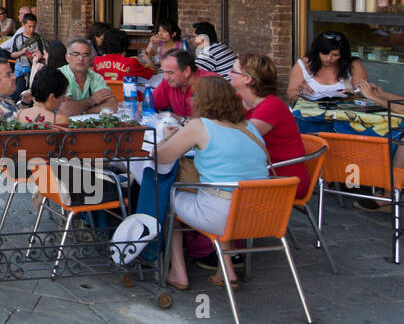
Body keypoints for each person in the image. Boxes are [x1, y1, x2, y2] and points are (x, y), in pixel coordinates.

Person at [152, 76, 270, 289]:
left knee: (168, 197)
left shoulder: (199, 126)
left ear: (202, 101)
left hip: (222, 215)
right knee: (225, 194)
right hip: (261, 215)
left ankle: (178, 272)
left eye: (194, 96)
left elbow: (160, 157)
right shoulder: (250, 127)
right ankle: (227, 271)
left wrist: (166, 137)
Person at [229, 54, 309, 199]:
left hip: (282, 178)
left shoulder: (272, 106)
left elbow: (241, 139)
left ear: (248, 79)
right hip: (257, 171)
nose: (229, 74)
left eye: (233, 71)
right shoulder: (240, 100)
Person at [286, 30, 400, 104]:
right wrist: (301, 93)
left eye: (335, 55)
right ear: (317, 52)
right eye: (324, 54)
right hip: (311, 116)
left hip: (344, 116)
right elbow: (290, 94)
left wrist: (353, 92)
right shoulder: (303, 65)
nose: (328, 59)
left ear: (342, 55)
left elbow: (364, 94)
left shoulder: (353, 65)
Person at [57, 38, 116, 117]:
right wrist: (92, 100)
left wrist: (84, 111)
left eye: (85, 55)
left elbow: (112, 105)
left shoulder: (96, 78)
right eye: (76, 54)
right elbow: (65, 109)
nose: (81, 58)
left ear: (91, 59)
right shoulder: (58, 75)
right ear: (67, 58)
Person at [150, 49, 215, 118]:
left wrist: (181, 119)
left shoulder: (212, 84)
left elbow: (219, 122)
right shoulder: (169, 82)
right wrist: (142, 106)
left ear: (187, 71)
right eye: (164, 72)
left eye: (170, 72)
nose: (166, 77)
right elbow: (149, 104)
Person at [6, 13, 42, 81]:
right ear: (23, 25)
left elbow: (44, 54)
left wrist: (37, 56)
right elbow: (12, 55)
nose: (32, 29)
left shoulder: (38, 38)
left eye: (34, 27)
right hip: (20, 69)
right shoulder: (18, 38)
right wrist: (22, 52)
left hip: (34, 68)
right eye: (29, 26)